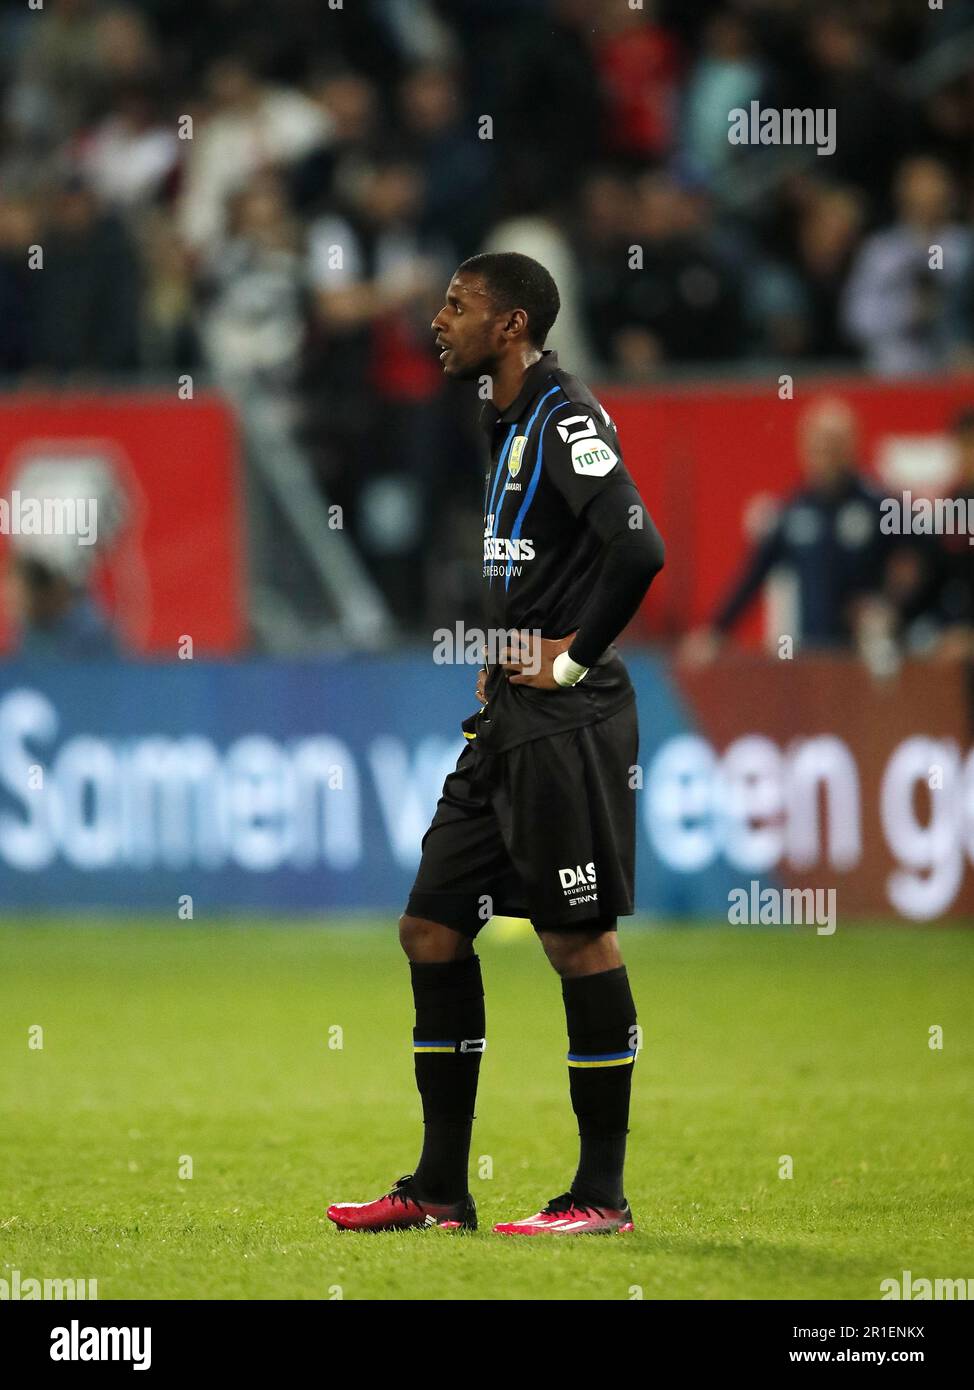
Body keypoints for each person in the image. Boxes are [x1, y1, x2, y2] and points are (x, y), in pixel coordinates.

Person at [327, 252, 664, 1235]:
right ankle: (438, 1189)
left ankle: (599, 1195)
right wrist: (511, 645)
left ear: (510, 324)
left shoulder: (562, 414)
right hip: (506, 718)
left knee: (574, 939)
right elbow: (538, 555)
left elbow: (635, 546)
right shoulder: (499, 415)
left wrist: (565, 660)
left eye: (457, 305)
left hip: (565, 719)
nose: (436, 319)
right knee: (430, 923)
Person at [681, 397, 889, 660]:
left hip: (867, 656)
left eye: (834, 443)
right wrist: (715, 631)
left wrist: (892, 607)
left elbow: (922, 561)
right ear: (804, 445)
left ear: (852, 445)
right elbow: (753, 576)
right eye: (819, 443)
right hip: (812, 655)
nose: (826, 452)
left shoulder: (878, 507)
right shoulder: (793, 512)